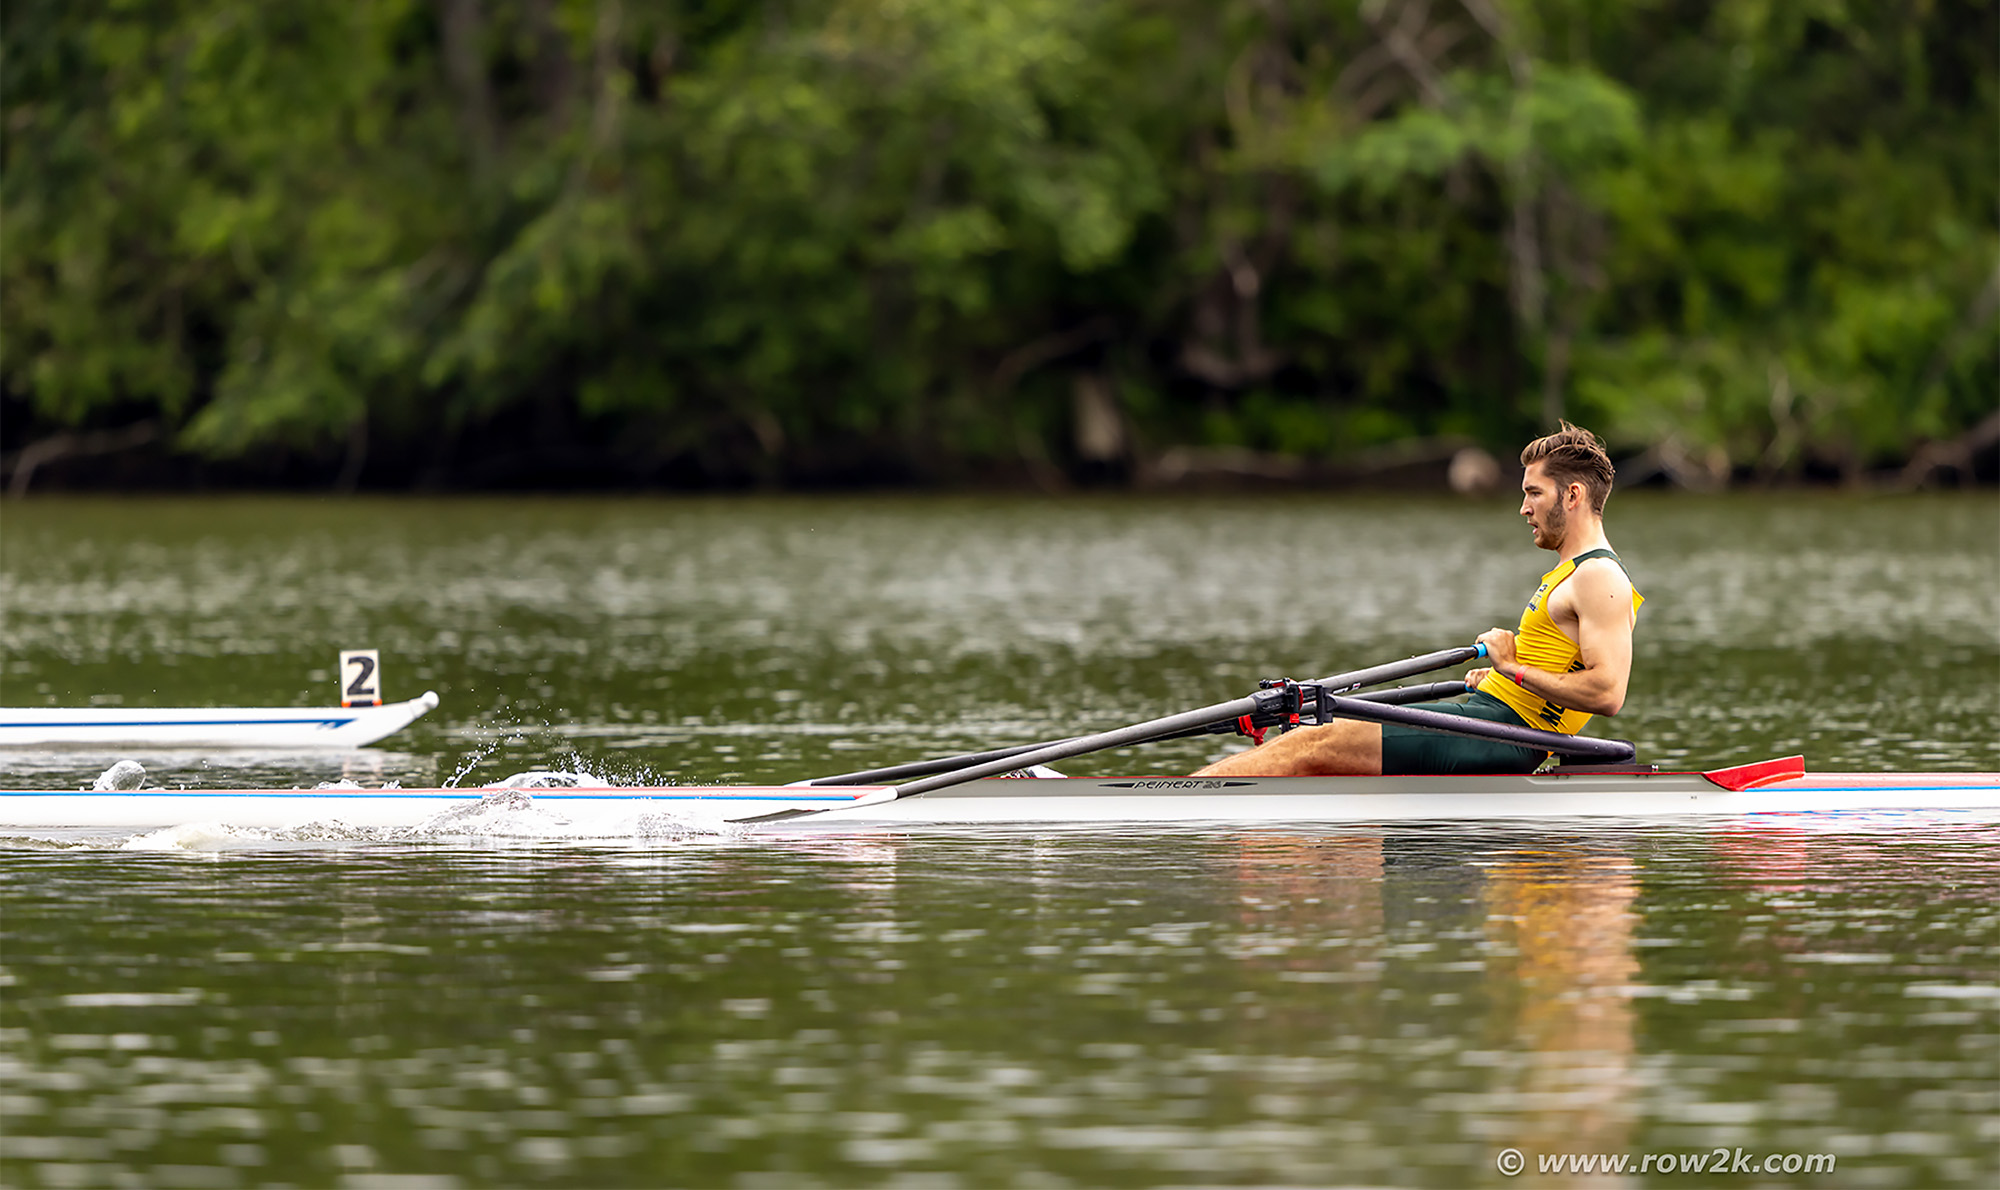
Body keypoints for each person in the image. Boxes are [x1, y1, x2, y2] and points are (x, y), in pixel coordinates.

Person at [1195, 422, 1643, 777]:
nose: (1524, 508)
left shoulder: (1598, 577)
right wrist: (1504, 675)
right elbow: (1565, 666)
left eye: (1533, 493)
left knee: (1313, 743)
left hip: (1506, 732)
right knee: (1321, 733)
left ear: (1573, 495)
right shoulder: (1575, 573)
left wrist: (1515, 670)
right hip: (1491, 713)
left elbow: (1607, 692)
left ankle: (1169, 804)